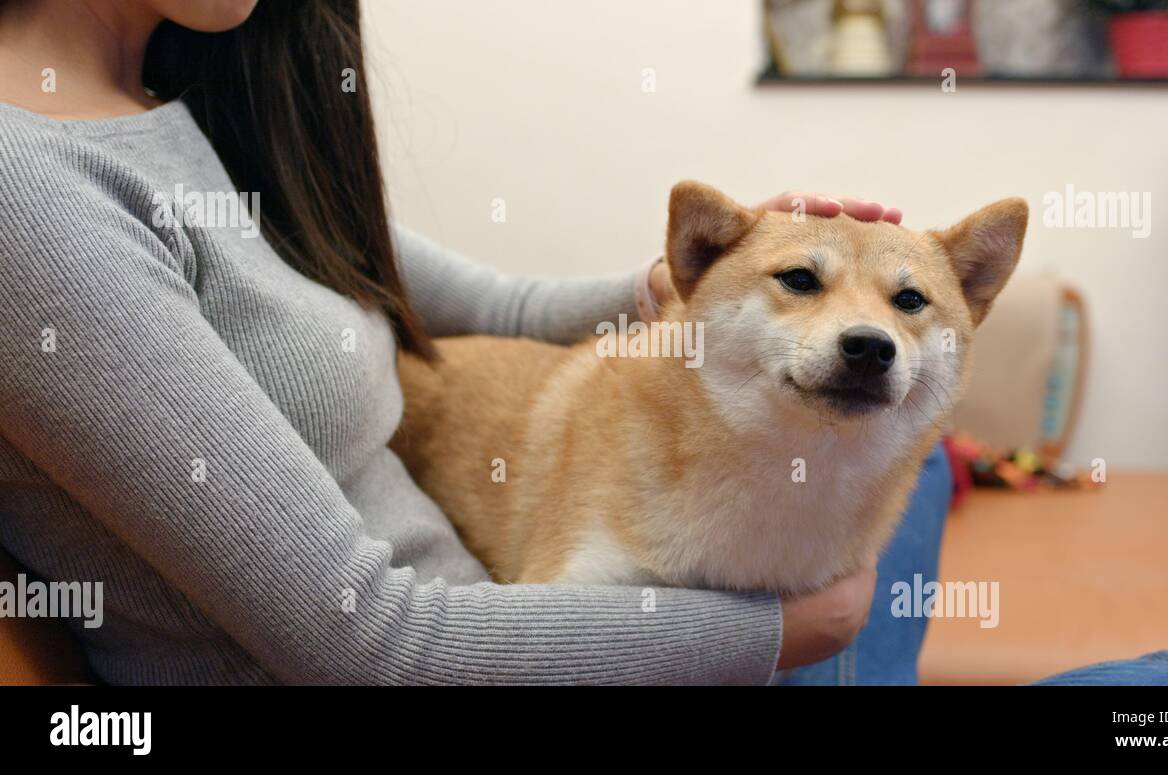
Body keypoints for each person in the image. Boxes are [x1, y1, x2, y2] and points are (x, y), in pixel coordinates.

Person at [0, 0, 906, 684]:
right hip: (454, 652)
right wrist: (782, 630)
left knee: (918, 466)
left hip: (498, 627)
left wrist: (699, 278)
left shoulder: (188, 104)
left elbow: (492, 305)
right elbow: (379, 646)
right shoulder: (27, 197)